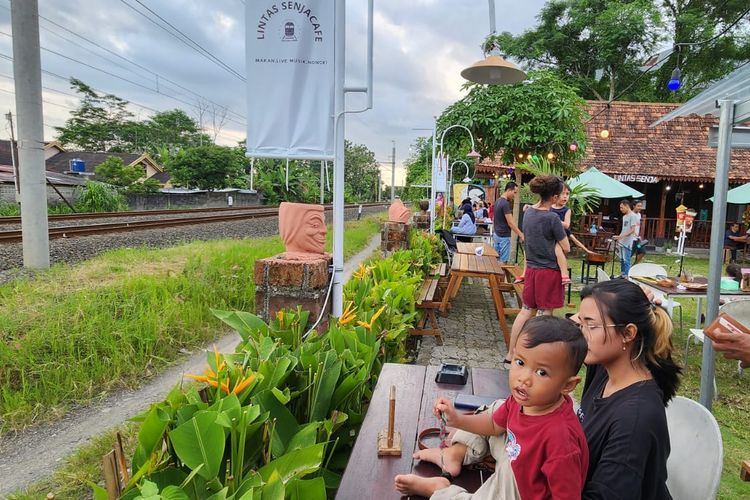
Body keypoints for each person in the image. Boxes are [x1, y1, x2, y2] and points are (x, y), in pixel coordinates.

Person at [394, 316, 589, 499]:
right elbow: (493, 424)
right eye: (520, 362)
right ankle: (455, 454)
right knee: (497, 408)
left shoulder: (560, 439)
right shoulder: (525, 401)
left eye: (541, 372)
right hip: (515, 458)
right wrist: (458, 420)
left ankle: (441, 491)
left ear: (567, 385)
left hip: (519, 490)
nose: (524, 379)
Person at [574, 279, 680, 498]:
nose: (581, 333)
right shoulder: (605, 369)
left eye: (591, 326)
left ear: (628, 333)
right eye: (580, 323)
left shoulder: (634, 418)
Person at [506, 175, 569, 363]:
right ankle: (536, 358)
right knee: (544, 316)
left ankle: (511, 354)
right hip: (549, 272)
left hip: (532, 270)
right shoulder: (552, 218)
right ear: (555, 197)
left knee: (525, 311)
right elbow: (565, 247)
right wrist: (556, 245)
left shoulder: (529, 213)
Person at [517, 183, 593, 285]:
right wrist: (530, 207)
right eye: (563, 194)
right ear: (555, 196)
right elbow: (540, 211)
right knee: (527, 250)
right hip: (549, 235)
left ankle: (564, 274)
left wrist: (555, 220)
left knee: (559, 249)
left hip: (561, 234)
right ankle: (524, 273)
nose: (565, 196)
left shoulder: (566, 210)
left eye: (568, 194)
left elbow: (566, 225)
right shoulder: (550, 208)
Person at [492, 182, 524, 263]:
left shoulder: (497, 201)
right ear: (509, 190)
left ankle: (503, 276)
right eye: (514, 192)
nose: (515, 195)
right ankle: (503, 276)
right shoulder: (505, 204)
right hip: (504, 237)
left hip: (496, 235)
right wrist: (521, 234)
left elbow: (494, 218)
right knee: (504, 262)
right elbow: (510, 222)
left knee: (495, 260)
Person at [612, 200, 638, 277]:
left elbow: (632, 230)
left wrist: (621, 236)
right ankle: (623, 274)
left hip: (628, 242)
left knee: (627, 260)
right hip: (622, 241)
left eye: (622, 207)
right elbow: (624, 229)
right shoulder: (624, 217)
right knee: (622, 259)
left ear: (627, 206)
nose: (621, 209)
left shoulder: (633, 216)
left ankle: (627, 276)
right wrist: (618, 236)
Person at [632, 200, 647, 264]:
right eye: (638, 206)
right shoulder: (631, 215)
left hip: (637, 239)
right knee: (630, 254)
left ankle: (634, 265)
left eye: (641, 206)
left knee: (642, 251)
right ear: (633, 206)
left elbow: (638, 226)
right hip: (631, 239)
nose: (640, 208)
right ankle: (625, 269)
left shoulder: (639, 215)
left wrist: (639, 235)